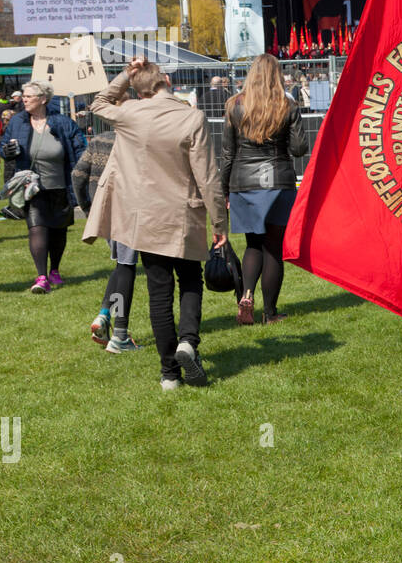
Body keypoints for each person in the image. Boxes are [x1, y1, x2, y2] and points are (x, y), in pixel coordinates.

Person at [83, 59, 228, 391]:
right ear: (166, 80)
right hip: (184, 214)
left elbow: (98, 103)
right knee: (191, 280)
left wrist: (124, 75)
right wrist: (219, 221)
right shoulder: (192, 117)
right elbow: (207, 176)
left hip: (145, 219)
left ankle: (168, 375)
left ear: (138, 87)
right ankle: (188, 342)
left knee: (159, 293)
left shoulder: (131, 113)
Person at [221, 53, 310, 324]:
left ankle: (246, 295)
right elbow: (298, 149)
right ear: (276, 75)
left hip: (243, 183)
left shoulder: (234, 105)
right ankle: (269, 313)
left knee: (252, 244)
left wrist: (224, 191)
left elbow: (227, 154)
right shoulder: (287, 105)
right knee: (273, 248)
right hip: (278, 183)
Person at [0, 82, 87, 293]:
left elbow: (80, 149)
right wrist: (8, 151)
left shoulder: (63, 122)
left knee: (58, 230)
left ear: (43, 99)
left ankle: (55, 270)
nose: (24, 99)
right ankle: (41, 277)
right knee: (37, 228)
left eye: (29, 96)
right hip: (31, 186)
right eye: (24, 96)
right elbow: (4, 148)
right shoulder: (18, 122)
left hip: (60, 184)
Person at [71, 114, 141, 353]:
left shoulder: (100, 139)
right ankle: (119, 333)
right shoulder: (139, 142)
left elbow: (77, 175)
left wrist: (88, 208)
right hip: (129, 210)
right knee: (126, 267)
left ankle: (104, 315)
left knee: (121, 266)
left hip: (105, 211)